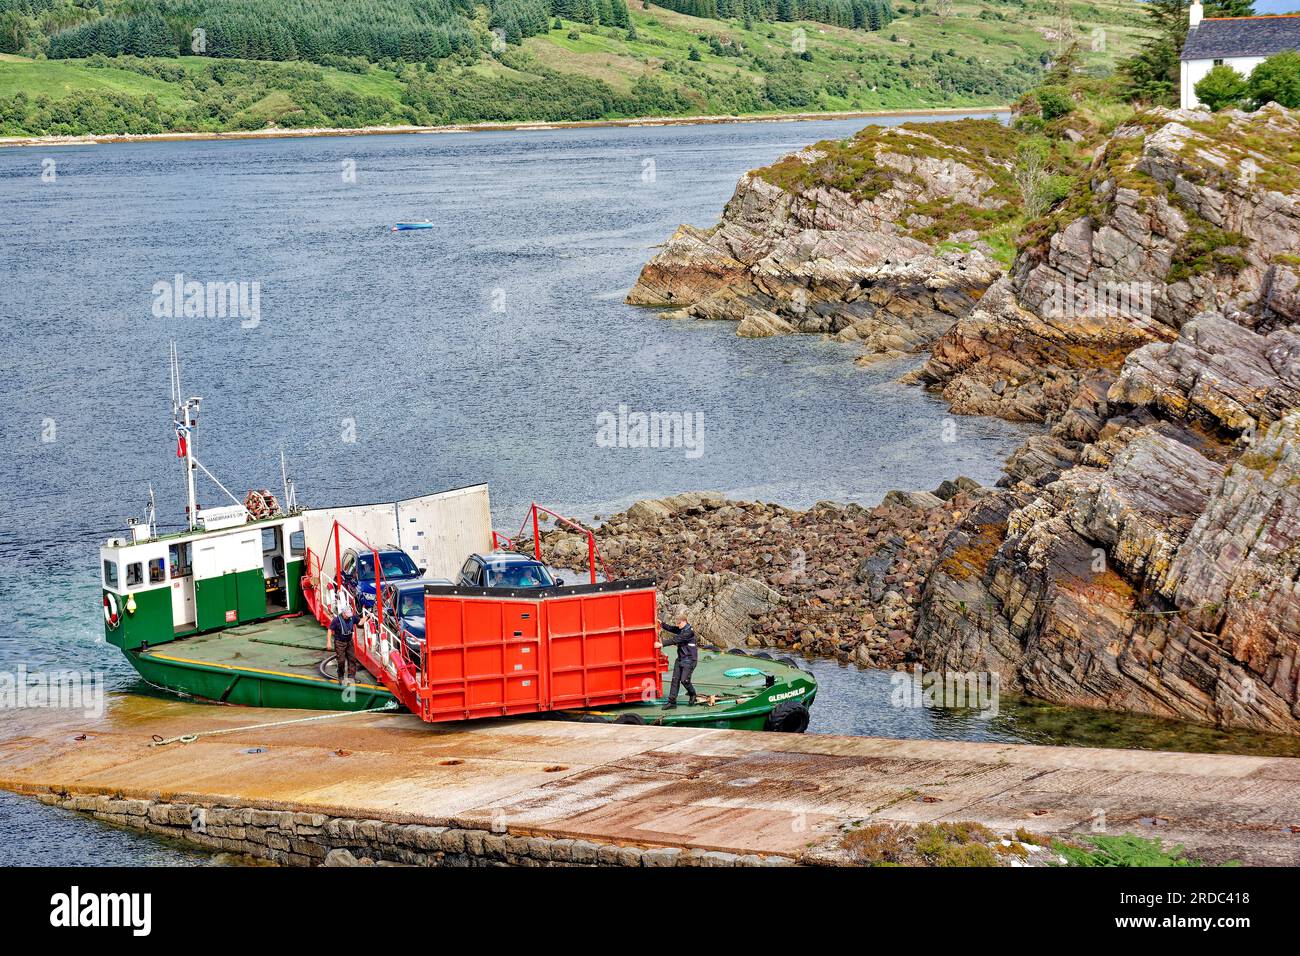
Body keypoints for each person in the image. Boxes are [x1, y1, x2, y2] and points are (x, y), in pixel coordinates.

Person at [654, 613, 698, 709]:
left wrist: (661, 644)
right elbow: (673, 629)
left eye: (679, 623)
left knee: (684, 680)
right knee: (675, 680)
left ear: (684, 622)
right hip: (680, 659)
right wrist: (662, 624)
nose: (677, 625)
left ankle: (693, 694)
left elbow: (676, 639)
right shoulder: (682, 629)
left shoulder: (689, 632)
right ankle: (672, 702)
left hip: (690, 660)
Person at [330, 606, 357, 683]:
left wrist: (367, 617)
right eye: (347, 615)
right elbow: (330, 629)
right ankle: (340, 675)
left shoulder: (352, 618)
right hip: (340, 642)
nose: (348, 617)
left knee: (352, 659)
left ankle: (351, 676)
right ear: (343, 613)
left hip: (349, 641)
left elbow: (360, 622)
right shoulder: (336, 620)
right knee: (341, 660)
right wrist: (328, 642)